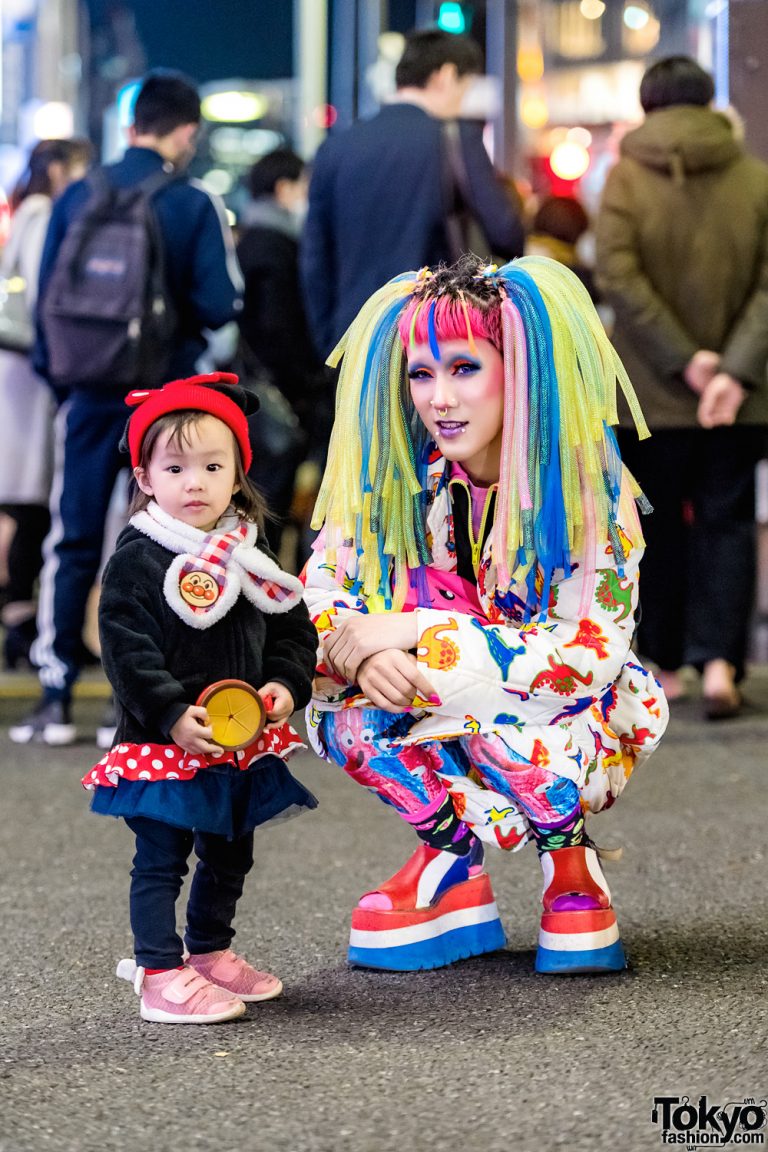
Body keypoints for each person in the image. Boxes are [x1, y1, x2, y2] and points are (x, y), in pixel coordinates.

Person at [303, 253, 669, 976]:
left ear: (519, 373)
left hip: (567, 721)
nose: (440, 398)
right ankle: (449, 859)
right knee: (339, 714)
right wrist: (363, 653)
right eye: (421, 373)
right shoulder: (413, 476)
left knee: (508, 734)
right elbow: (322, 585)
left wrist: (413, 631)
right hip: (447, 694)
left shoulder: (591, 495)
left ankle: (569, 862)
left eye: (465, 368)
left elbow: (584, 656)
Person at [10, 70, 243, 746]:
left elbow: (49, 297)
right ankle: (146, 704)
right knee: (162, 541)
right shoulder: (191, 200)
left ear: (132, 120)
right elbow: (220, 301)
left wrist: (70, 383)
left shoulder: (82, 192)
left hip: (87, 397)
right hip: (165, 401)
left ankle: (54, 698)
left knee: (73, 536)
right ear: (187, 130)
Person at [81, 372, 319, 1024]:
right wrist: (165, 712)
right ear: (145, 478)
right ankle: (160, 970)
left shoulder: (248, 548)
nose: (195, 482)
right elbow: (125, 647)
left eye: (213, 466)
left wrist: (284, 684)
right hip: (165, 742)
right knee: (161, 857)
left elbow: (290, 626)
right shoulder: (141, 555)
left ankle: (210, 951)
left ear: (238, 473)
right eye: (176, 467)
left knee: (230, 850)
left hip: (237, 742)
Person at [595, 56, 768, 719]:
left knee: (655, 526)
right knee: (727, 521)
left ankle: (665, 666)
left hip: (649, 392)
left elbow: (617, 276)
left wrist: (683, 359)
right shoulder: (754, 178)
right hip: (741, 393)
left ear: (648, 105)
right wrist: (729, 369)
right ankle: (721, 665)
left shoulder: (624, 180)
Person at [300, 28, 525, 358]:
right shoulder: (456, 138)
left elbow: (315, 259)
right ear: (446, 75)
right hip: (433, 335)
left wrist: (330, 340)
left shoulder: (335, 147)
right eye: (464, 88)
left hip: (356, 337)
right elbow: (504, 231)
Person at [0, 138, 92, 669]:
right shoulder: (41, 212)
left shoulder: (29, 209)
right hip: (28, 375)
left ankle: (24, 618)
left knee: (30, 500)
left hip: (25, 373)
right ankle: (21, 619)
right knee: (30, 501)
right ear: (57, 170)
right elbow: (43, 293)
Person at [236, 147, 329, 558]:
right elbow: (279, 327)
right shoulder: (277, 247)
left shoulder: (246, 240)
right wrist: (306, 381)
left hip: (254, 386)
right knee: (271, 499)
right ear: (283, 188)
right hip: (278, 390)